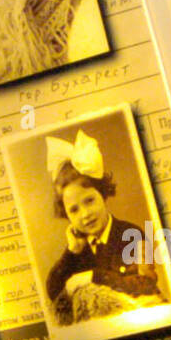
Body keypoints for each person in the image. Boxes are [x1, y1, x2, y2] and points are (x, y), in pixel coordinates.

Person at [44, 129, 162, 321]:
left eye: (89, 201)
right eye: (74, 210)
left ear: (103, 194)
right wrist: (71, 252)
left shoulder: (132, 234)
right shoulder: (78, 248)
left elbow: (146, 283)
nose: (85, 214)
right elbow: (54, 291)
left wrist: (92, 276)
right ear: (66, 215)